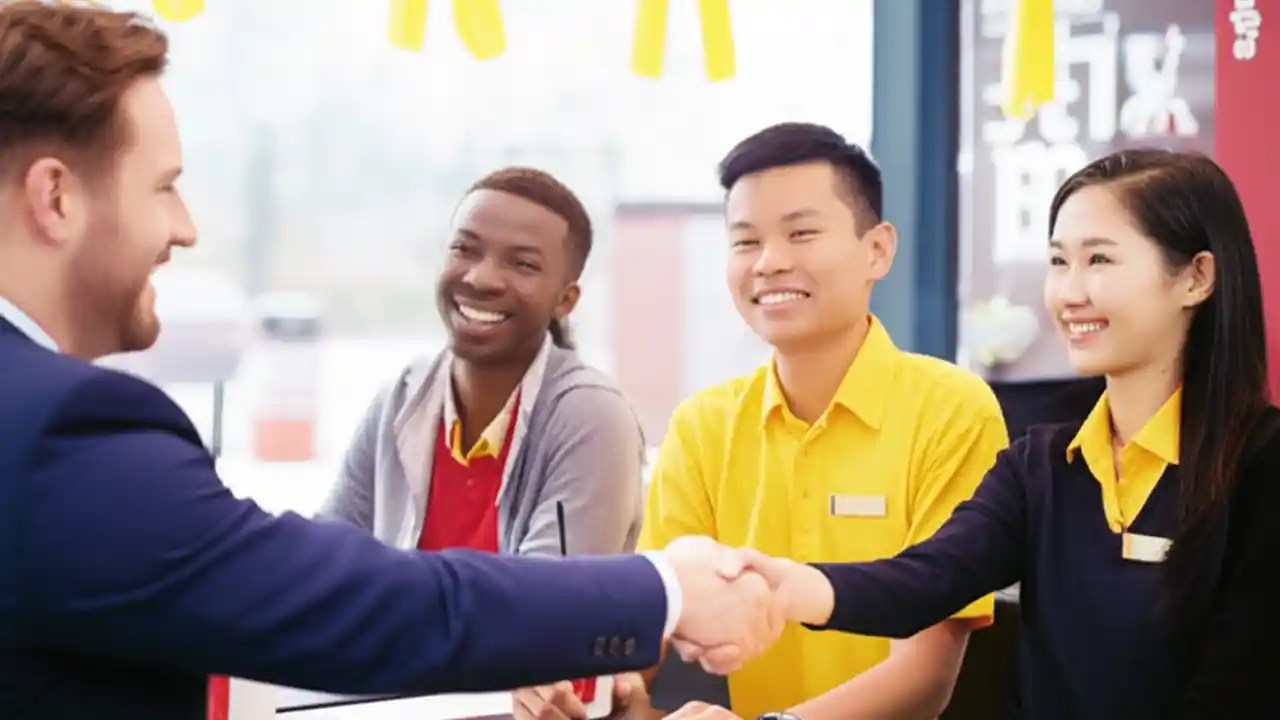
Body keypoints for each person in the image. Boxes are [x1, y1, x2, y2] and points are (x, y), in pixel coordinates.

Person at [0, 4, 779, 718]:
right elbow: (331, 587)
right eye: (164, 187)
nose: (188, 226)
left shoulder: (589, 410)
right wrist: (669, 589)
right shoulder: (66, 430)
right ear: (56, 198)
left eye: (522, 264)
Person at [731, 149, 1280, 719]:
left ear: (1196, 277)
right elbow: (923, 582)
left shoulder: (1262, 468)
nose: (1070, 293)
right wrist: (780, 585)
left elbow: (1237, 691)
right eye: (1058, 262)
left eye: (1099, 260)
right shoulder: (1041, 466)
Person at [515, 123, 1009, 720]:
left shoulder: (952, 410)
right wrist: (594, 687)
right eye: (745, 242)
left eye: (801, 233)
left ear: (876, 249)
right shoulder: (706, 424)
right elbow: (648, 620)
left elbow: (925, 675)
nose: (770, 263)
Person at [320, 167, 644, 558]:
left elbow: (549, 606)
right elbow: (324, 562)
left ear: (565, 300)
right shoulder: (403, 398)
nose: (482, 278)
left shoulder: (591, 416)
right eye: (465, 249)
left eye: (523, 264)